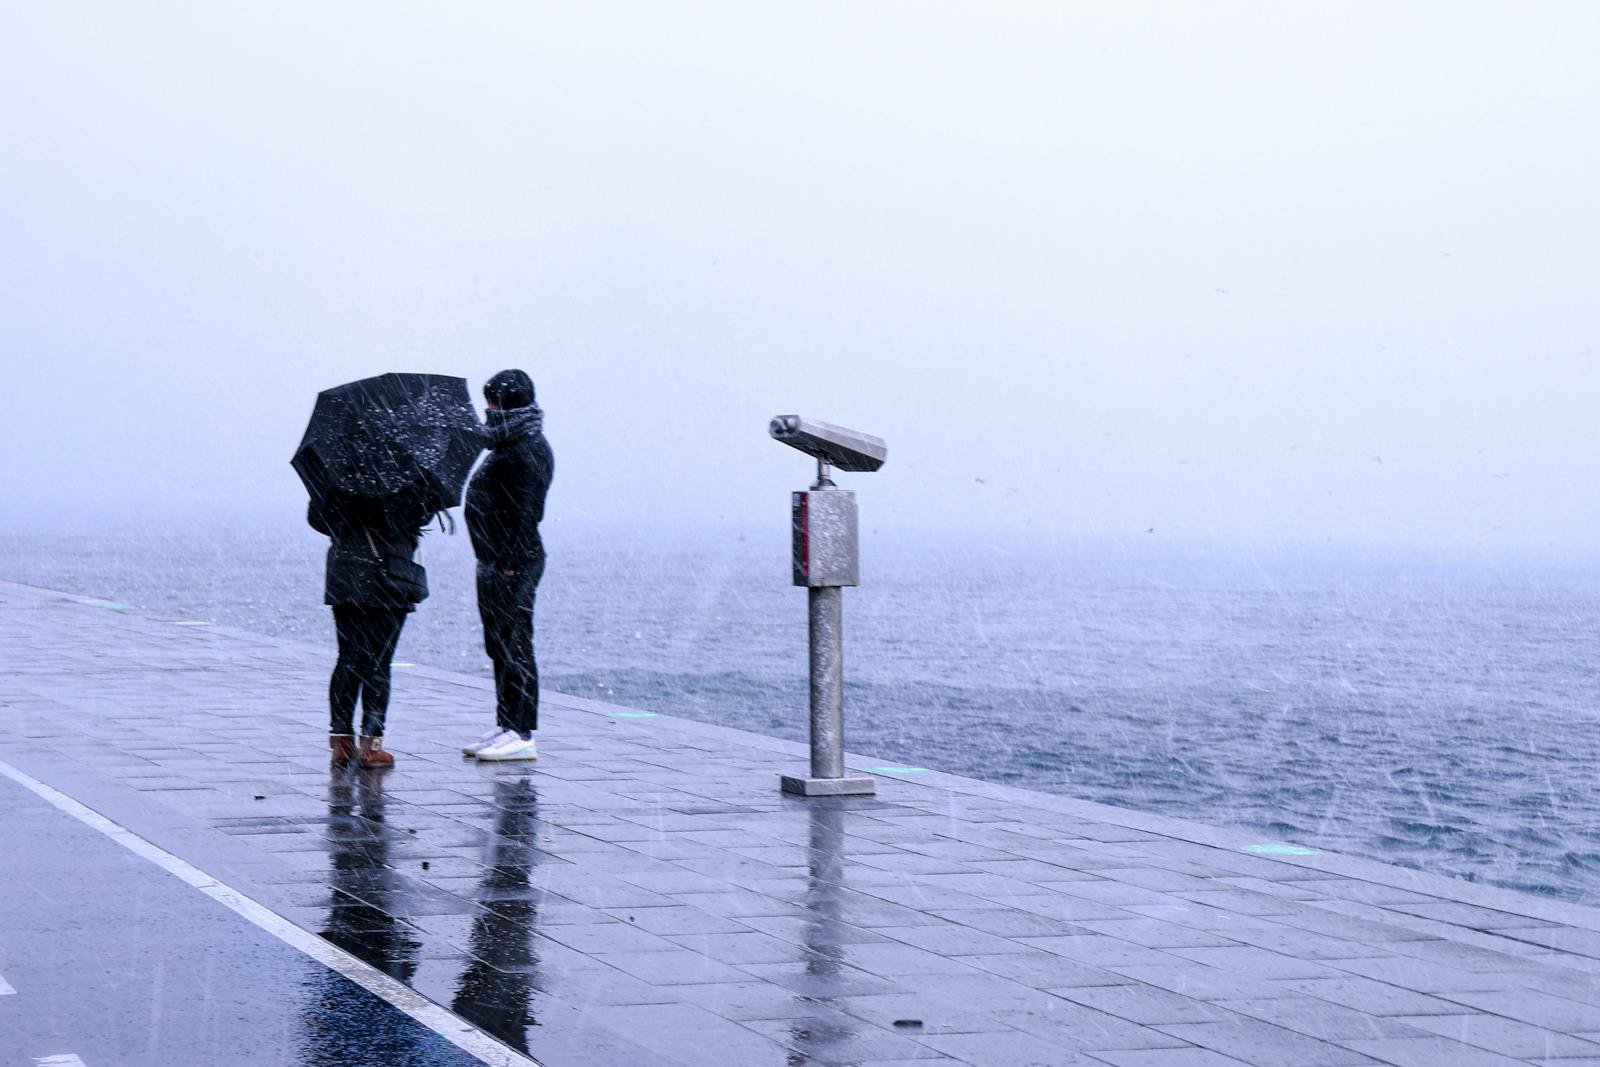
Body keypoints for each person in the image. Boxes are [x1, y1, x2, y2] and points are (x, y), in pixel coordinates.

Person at [462, 369, 554, 762]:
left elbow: (527, 513)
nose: (488, 409)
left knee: (516, 642)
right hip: (494, 560)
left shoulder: (527, 447)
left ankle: (522, 730)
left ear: (510, 403)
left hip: (513, 562)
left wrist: (510, 563)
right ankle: (506, 723)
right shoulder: (507, 444)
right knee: (499, 643)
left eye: (493, 401)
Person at [309, 492, 432, 767]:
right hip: (387, 574)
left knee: (348, 657)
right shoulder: (405, 473)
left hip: (345, 572)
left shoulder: (337, 470)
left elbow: (317, 519)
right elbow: (416, 517)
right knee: (378, 661)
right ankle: (371, 745)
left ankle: (341, 741)